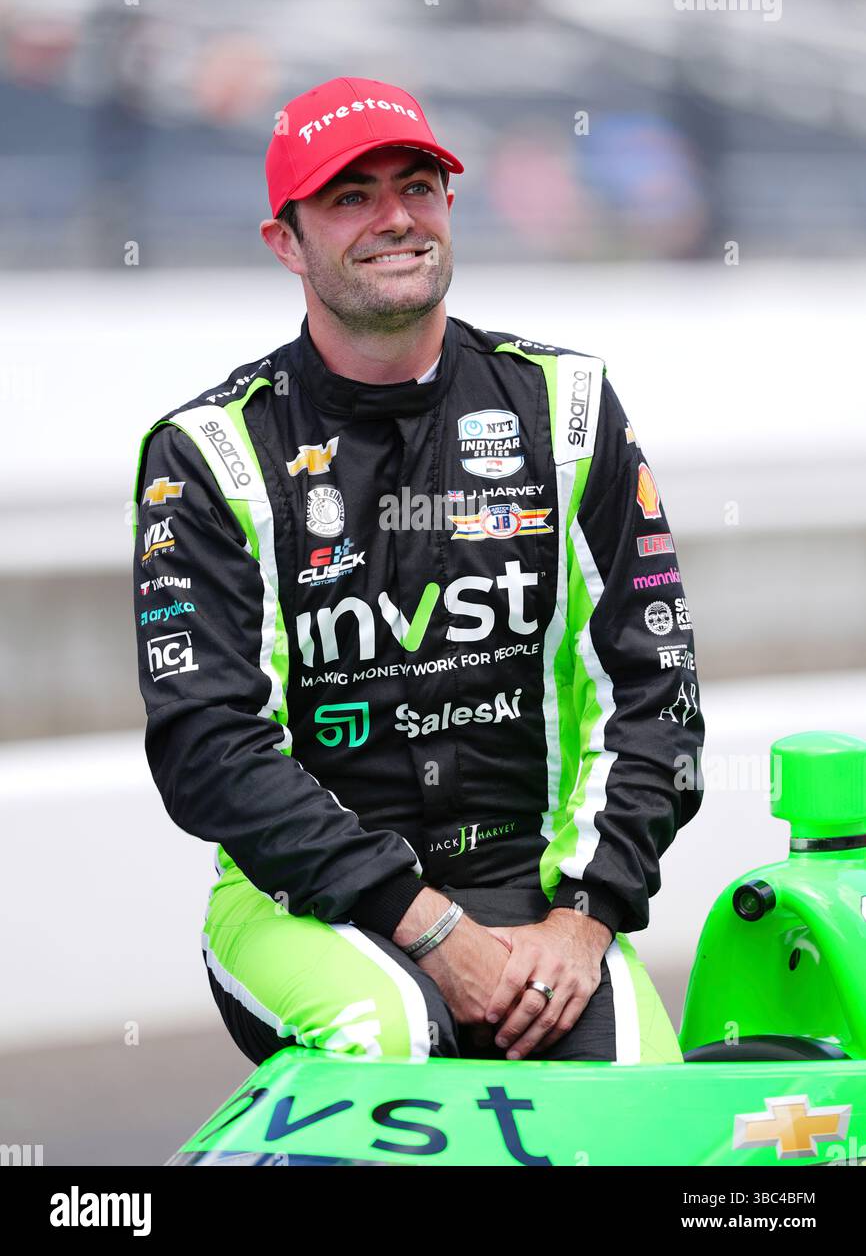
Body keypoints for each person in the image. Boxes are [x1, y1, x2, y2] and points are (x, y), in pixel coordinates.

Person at [131, 76, 704, 1067]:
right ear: (285, 241)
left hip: (542, 896)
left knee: (637, 1105)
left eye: (417, 186)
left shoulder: (568, 408)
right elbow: (207, 747)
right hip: (304, 906)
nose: (394, 218)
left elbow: (656, 692)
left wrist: (584, 916)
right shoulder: (208, 450)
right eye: (349, 197)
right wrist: (428, 927)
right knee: (395, 1037)